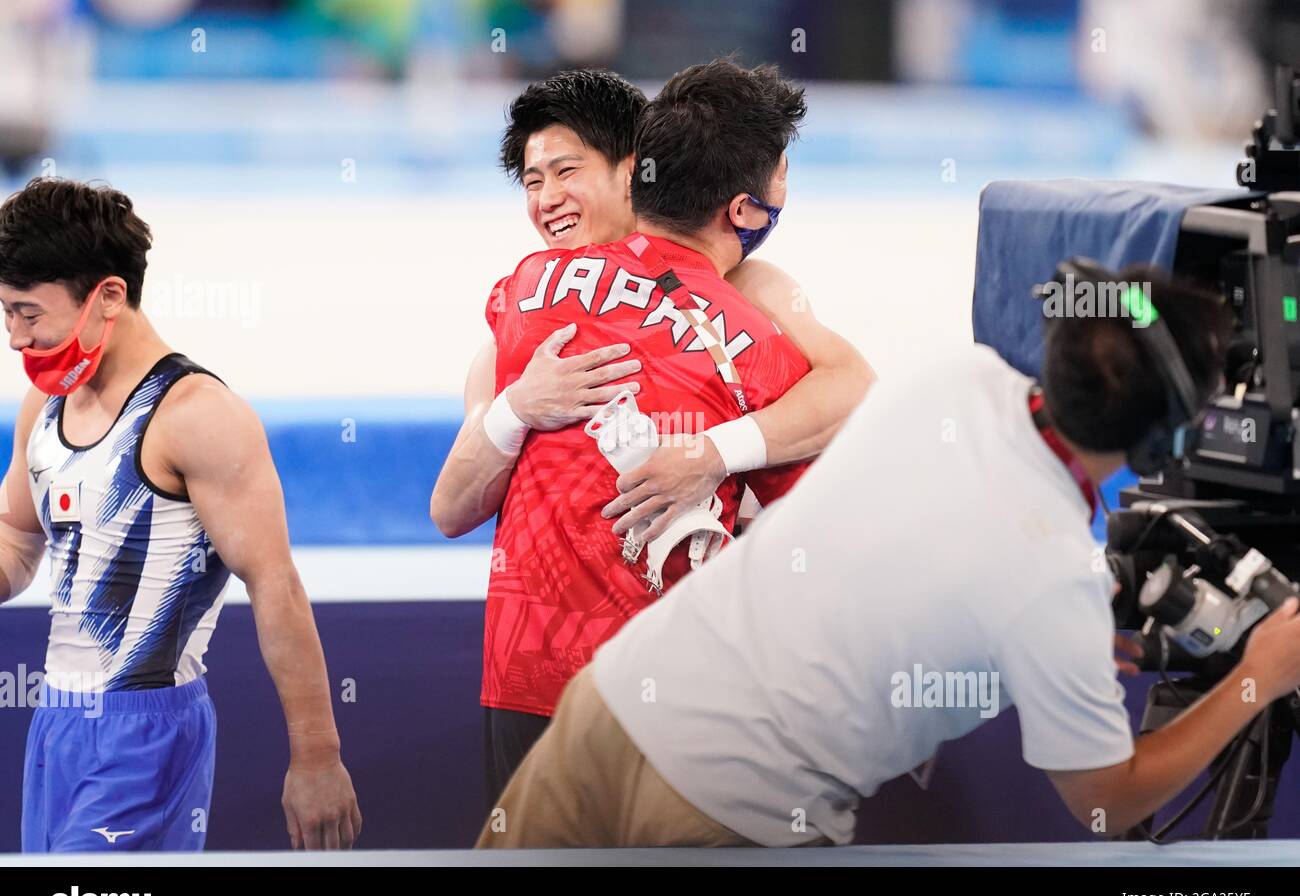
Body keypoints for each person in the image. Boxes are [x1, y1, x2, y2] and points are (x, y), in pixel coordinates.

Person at [477, 266, 1300, 849]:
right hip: (734, 815)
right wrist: (1257, 674)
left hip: (612, 705)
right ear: (1161, 438)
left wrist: (1045, 649)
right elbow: (1105, 802)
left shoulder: (949, 380)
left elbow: (915, 560)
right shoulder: (1056, 583)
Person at [429, 65, 874, 801]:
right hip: (599, 683)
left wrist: (710, 455)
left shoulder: (742, 294)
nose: (547, 200)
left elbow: (849, 391)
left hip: (620, 681)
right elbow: (451, 505)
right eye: (532, 182)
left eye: (566, 173)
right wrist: (518, 408)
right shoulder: (528, 318)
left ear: (637, 173)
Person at [0, 178, 361, 851]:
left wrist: (316, 755)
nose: (17, 339)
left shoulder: (198, 417)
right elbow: (16, 545)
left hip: (147, 731)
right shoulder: (43, 408)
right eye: (5, 314)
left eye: (29, 314)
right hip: (55, 721)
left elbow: (275, 585)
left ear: (109, 297)